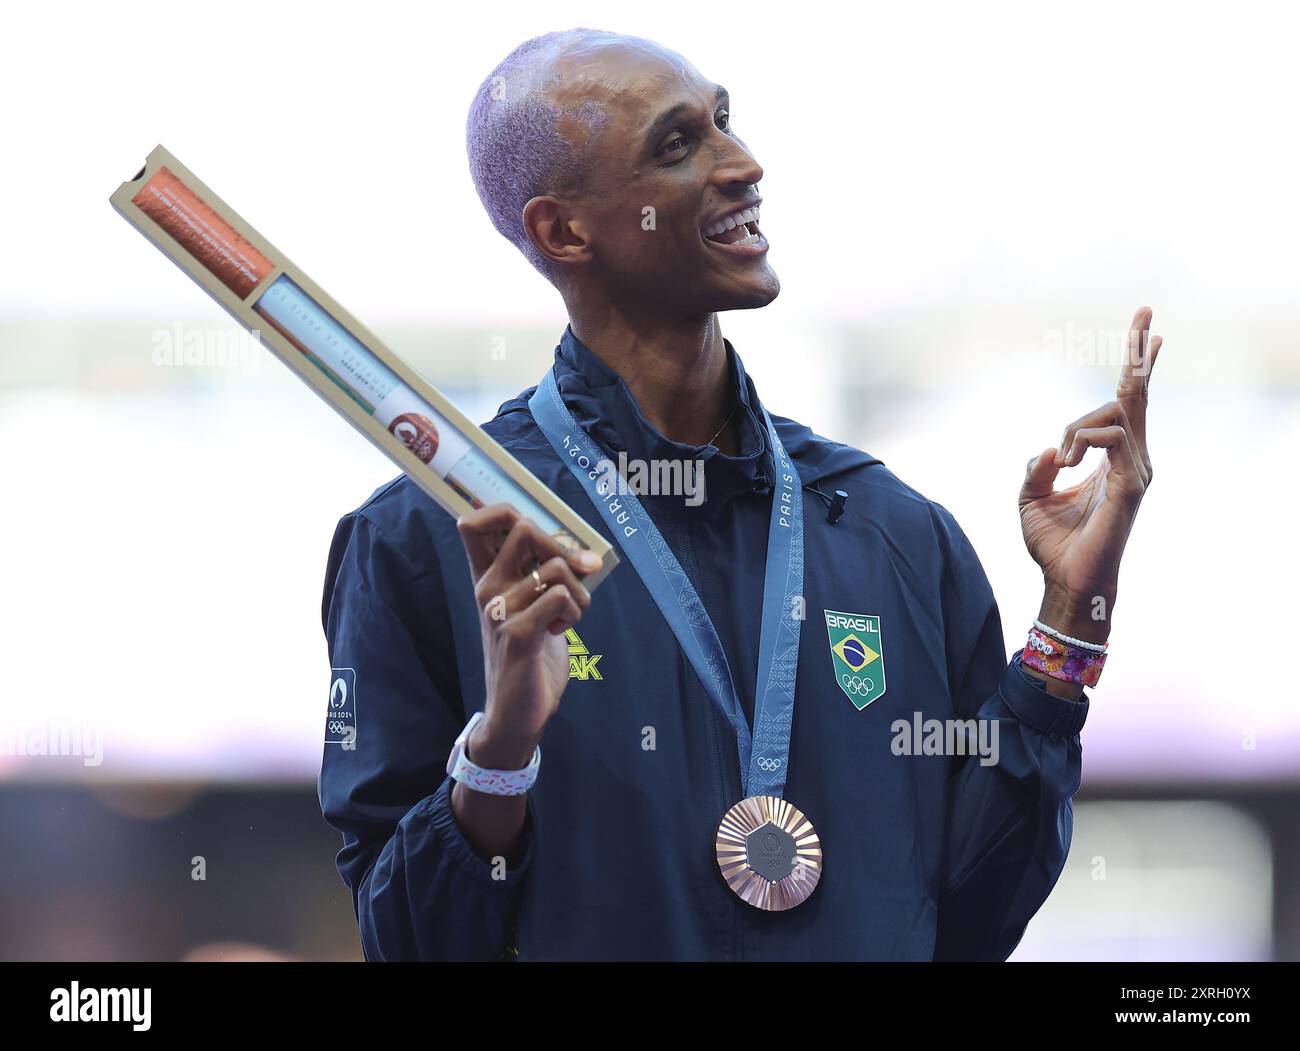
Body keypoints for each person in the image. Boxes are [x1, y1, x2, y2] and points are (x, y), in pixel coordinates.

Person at [317, 28, 1162, 961]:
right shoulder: (429, 538)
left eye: (723, 121)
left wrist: (1068, 628)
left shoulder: (895, 534)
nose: (744, 163)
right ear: (565, 231)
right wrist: (502, 747)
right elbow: (409, 943)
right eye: (679, 145)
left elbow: (966, 920)